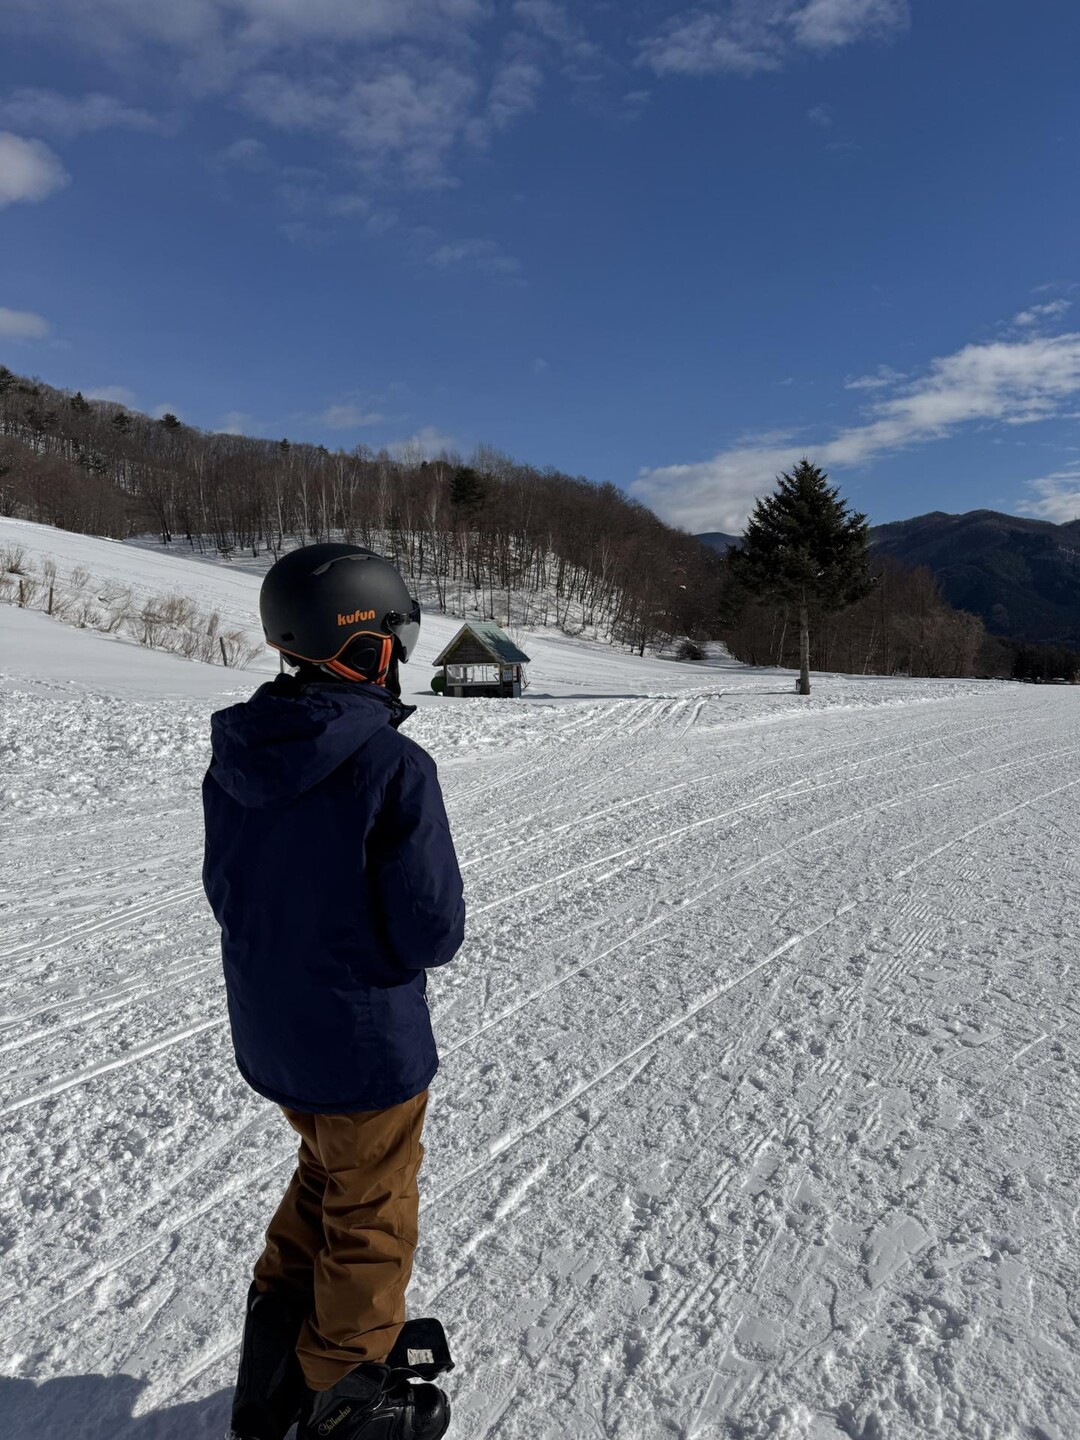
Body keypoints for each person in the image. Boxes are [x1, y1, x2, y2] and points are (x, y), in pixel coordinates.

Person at [201, 544, 465, 1440]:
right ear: (364, 644)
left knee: (326, 1172)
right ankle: (347, 1394)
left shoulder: (238, 756)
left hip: (275, 1032)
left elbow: (228, 893)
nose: (401, 655)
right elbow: (432, 931)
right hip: (364, 1044)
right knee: (371, 1211)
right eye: (397, 637)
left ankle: (275, 1354)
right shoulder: (391, 764)